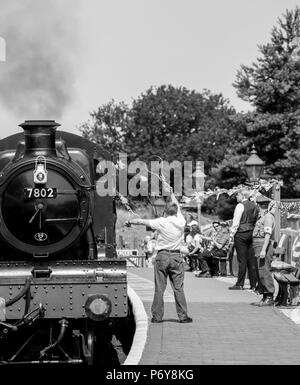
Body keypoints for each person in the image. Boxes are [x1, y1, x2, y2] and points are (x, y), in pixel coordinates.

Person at [127, 193, 193, 323]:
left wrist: (130, 221)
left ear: (165, 212)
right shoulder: (181, 221)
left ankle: (157, 317)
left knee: (159, 289)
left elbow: (141, 221)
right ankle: (183, 316)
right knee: (178, 289)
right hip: (176, 256)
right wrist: (171, 193)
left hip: (162, 255)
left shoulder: (161, 222)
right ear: (176, 212)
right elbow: (177, 206)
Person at [228, 189, 259, 290]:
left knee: (242, 260)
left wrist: (231, 235)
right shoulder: (255, 205)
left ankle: (240, 284)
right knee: (251, 260)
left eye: (238, 195)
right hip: (252, 232)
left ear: (242, 195)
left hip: (241, 233)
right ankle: (253, 284)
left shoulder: (240, 206)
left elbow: (236, 222)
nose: (236, 197)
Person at [251, 196, 277, 306]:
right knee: (259, 272)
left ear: (259, 206)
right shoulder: (263, 217)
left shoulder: (268, 217)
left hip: (263, 245)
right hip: (258, 245)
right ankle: (264, 296)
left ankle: (269, 296)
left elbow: (267, 234)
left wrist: (263, 250)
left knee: (264, 271)